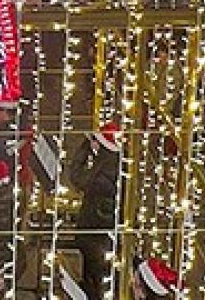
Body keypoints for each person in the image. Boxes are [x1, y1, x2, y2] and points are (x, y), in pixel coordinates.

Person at [72, 125, 122, 300]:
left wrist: (84, 149)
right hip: (102, 232)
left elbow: (76, 177)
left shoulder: (102, 174)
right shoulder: (113, 163)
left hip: (93, 235)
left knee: (93, 277)